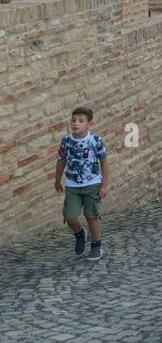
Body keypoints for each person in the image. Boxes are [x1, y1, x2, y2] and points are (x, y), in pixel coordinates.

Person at [55, 106, 110, 262]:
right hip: (72, 184)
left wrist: (104, 185)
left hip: (92, 183)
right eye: (73, 120)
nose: (76, 123)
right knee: (70, 216)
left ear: (88, 124)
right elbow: (61, 161)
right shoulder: (66, 140)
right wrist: (57, 180)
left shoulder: (95, 140)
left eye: (81, 120)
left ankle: (96, 245)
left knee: (92, 215)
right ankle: (80, 234)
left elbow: (104, 162)